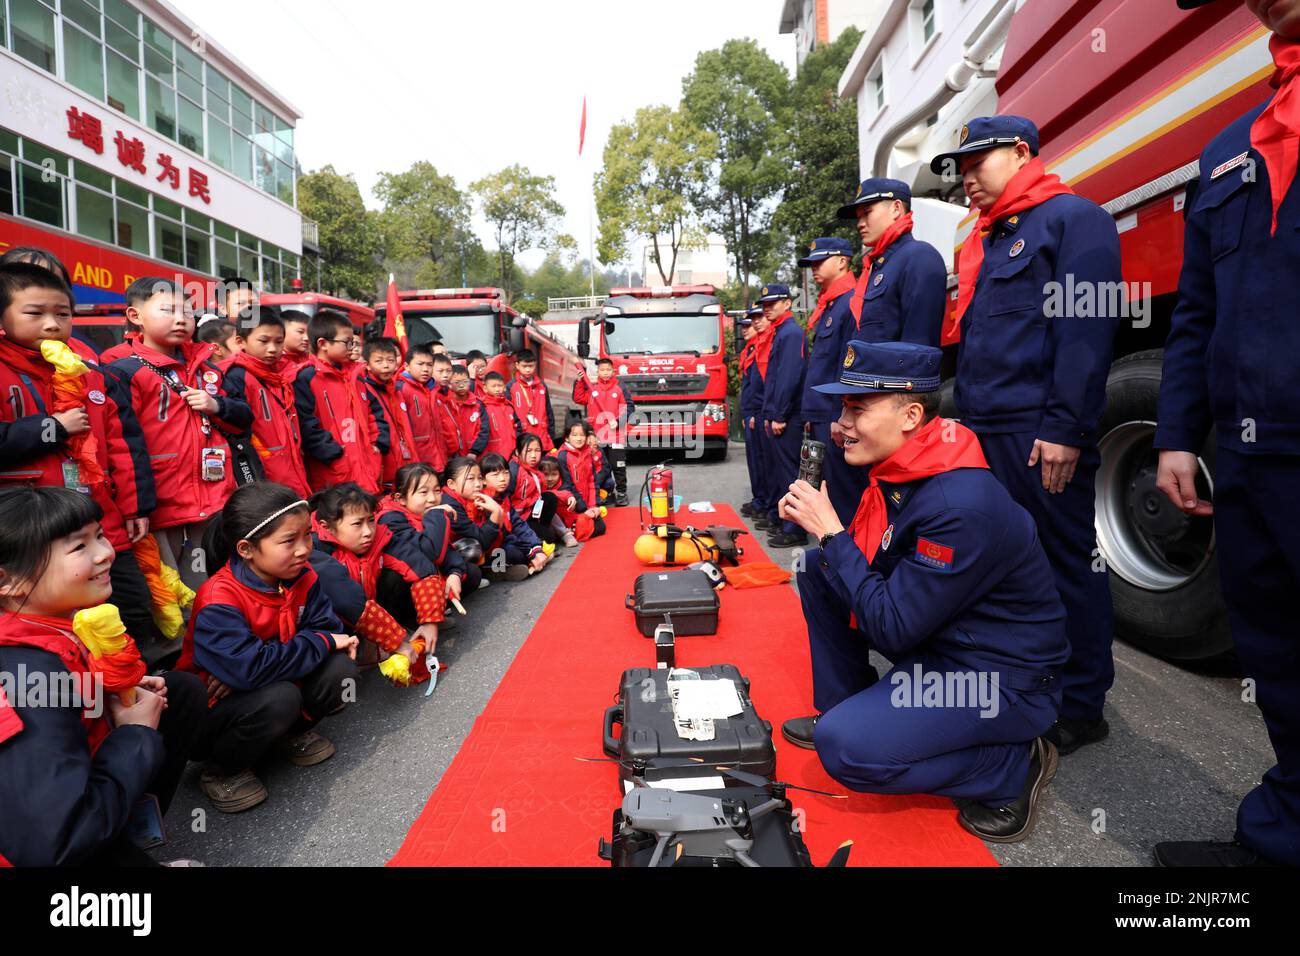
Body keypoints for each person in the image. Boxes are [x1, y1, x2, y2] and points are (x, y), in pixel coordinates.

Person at [778, 340, 1069, 843]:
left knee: (845, 749)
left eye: (857, 408)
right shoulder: (910, 468)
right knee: (816, 568)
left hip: (996, 677)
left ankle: (1011, 765)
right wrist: (830, 545)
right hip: (947, 640)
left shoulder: (959, 504)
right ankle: (844, 701)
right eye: (842, 408)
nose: (840, 424)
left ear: (911, 415)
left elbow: (892, 623)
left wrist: (830, 531)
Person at [1151, 0, 1300, 868]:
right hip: (1251, 455)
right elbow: (1197, 313)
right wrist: (1176, 436)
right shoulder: (1229, 151)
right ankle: (1283, 832)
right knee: (1275, 649)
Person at [929, 115, 1121, 755]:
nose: (966, 180)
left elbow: (1085, 335)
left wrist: (1066, 427)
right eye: (959, 170)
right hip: (985, 432)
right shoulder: (988, 240)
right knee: (1001, 564)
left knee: (1067, 561)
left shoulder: (1074, 220)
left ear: (1021, 152)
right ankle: (1020, 678)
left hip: (1039, 434)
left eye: (977, 163)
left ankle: (1082, 702)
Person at [0, 486, 207, 866]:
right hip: (46, 849)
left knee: (178, 694)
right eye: (79, 547)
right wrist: (134, 734)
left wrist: (109, 693)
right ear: (9, 582)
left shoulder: (51, 624)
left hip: (61, 811)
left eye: (99, 535)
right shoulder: (25, 680)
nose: (106, 553)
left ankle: (126, 836)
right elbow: (50, 845)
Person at [0, 263, 167, 660]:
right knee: (58, 629)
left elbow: (123, 445)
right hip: (33, 534)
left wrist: (135, 506)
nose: (52, 323)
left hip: (101, 519)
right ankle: (85, 711)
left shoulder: (92, 373)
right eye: (35, 313)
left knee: (131, 609)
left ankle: (141, 692)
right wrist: (49, 428)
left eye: (62, 313)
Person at [178, 482, 359, 813]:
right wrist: (315, 642)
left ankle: (288, 734)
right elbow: (252, 668)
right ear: (246, 549)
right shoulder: (220, 598)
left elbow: (327, 628)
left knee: (340, 667)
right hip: (212, 712)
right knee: (280, 694)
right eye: (289, 541)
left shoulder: (302, 577)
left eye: (307, 535)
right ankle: (221, 770)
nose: (305, 549)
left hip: (256, 685)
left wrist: (307, 645)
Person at [106, 278, 253, 594]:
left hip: (213, 497)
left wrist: (217, 405)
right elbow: (122, 443)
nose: (180, 318)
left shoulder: (207, 369)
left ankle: (213, 634)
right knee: (168, 589)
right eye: (167, 310)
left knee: (213, 582)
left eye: (187, 311)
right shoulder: (123, 369)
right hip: (160, 503)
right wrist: (135, 507)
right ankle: (177, 642)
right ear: (135, 316)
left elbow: (244, 418)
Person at [309, 481, 443, 665]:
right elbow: (348, 601)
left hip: (371, 612)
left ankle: (392, 634)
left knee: (395, 578)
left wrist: (430, 620)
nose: (368, 532)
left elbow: (421, 569)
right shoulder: (316, 550)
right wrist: (397, 641)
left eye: (371, 520)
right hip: (333, 626)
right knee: (340, 668)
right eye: (357, 524)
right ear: (326, 527)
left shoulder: (381, 536)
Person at [219, 313, 312, 499]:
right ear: (241, 341)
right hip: (261, 472)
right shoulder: (235, 376)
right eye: (264, 341)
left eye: (279, 342)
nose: (272, 349)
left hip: (289, 468)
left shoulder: (281, 376)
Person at [294, 310, 385, 495]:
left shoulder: (356, 377)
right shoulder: (306, 378)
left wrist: (377, 445)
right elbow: (306, 424)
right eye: (347, 342)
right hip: (333, 473)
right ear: (323, 344)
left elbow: (374, 413)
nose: (352, 347)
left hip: (366, 468)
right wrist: (333, 453)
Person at [754, 281, 808, 548]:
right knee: (777, 472)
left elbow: (789, 377)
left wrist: (780, 414)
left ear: (787, 303)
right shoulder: (781, 332)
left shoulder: (790, 333)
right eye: (764, 305)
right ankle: (782, 518)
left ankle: (795, 527)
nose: (767, 309)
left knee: (789, 474)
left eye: (772, 304)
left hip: (787, 416)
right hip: (776, 413)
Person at [377, 462, 476, 605]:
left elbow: (444, 547)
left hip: (430, 573)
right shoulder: (391, 519)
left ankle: (439, 605)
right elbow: (431, 552)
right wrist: (436, 515)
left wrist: (454, 573)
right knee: (392, 579)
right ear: (401, 498)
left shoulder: (424, 512)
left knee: (470, 573)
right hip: (409, 580)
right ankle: (416, 619)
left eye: (436, 491)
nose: (432, 499)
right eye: (423, 492)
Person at [442, 456, 547, 581]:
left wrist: (535, 549)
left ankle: (498, 569)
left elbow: (513, 526)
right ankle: (491, 569)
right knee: (474, 550)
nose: (477, 484)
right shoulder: (451, 505)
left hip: (489, 547)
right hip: (463, 555)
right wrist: (496, 512)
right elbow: (481, 540)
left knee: (516, 549)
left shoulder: (481, 497)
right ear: (451, 484)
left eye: (479, 478)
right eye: (471, 479)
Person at [573, 357, 635, 507]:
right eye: (602, 370)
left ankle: (621, 493)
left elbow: (630, 407)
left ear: (613, 371)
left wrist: (619, 421)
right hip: (597, 435)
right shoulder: (592, 389)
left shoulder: (620, 388)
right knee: (600, 466)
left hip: (616, 435)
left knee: (618, 465)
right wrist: (580, 382)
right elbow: (578, 398)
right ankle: (605, 492)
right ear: (598, 371)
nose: (606, 373)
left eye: (608, 370)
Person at [361, 337, 417, 492]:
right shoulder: (364, 390)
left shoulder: (397, 390)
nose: (386, 366)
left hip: (405, 466)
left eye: (390, 360)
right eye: (379, 361)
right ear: (367, 365)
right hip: (383, 469)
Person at [509, 433, 578, 548]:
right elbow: (506, 502)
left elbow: (544, 494)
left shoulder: (535, 470)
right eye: (529, 451)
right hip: (518, 518)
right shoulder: (514, 471)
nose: (533, 455)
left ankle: (549, 533)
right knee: (549, 538)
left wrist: (568, 496)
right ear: (517, 452)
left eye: (537, 451)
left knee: (549, 498)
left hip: (531, 513)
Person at [737, 306, 769, 521]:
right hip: (751, 412)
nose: (746, 328)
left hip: (760, 412)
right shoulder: (749, 349)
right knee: (754, 461)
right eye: (745, 325)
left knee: (763, 462)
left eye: (751, 323)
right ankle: (760, 500)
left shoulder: (763, 346)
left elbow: (763, 386)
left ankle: (767, 503)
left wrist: (756, 414)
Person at [555, 420, 607, 539]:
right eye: (574, 435)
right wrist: (583, 509)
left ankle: (581, 523)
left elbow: (592, 482)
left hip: (586, 505)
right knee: (591, 528)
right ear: (567, 438)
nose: (579, 438)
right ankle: (569, 529)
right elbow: (567, 486)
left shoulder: (587, 453)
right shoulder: (562, 456)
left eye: (582, 435)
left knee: (601, 527)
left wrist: (593, 506)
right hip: (571, 507)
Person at [401, 344, 448, 472]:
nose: (425, 369)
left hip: (439, 457)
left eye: (429, 364)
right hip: (416, 461)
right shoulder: (401, 388)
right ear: (407, 366)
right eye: (420, 364)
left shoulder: (435, 389)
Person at [508, 348, 555, 452]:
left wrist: (551, 436)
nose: (528, 370)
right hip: (522, 438)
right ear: (517, 365)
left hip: (542, 437)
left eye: (531, 366)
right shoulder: (511, 387)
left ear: (535, 365)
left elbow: (549, 412)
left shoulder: (542, 386)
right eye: (524, 366)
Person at [448, 364, 490, 458]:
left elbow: (484, 430)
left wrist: (475, 451)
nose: (462, 385)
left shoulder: (478, 404)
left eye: (465, 381)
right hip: (453, 456)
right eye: (457, 382)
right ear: (449, 384)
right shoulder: (446, 403)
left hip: (475, 454)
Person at [480, 370, 523, 459]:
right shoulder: (482, 406)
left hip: (512, 452)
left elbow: (518, 426)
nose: (497, 389)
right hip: (492, 454)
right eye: (493, 386)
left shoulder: (509, 405)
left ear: (504, 387)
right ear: (485, 388)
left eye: (500, 386)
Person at [278, 310, 313, 376]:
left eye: (309, 333)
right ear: (281, 331)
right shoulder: (274, 360)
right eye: (300, 332)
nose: (307, 338)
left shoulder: (310, 357)